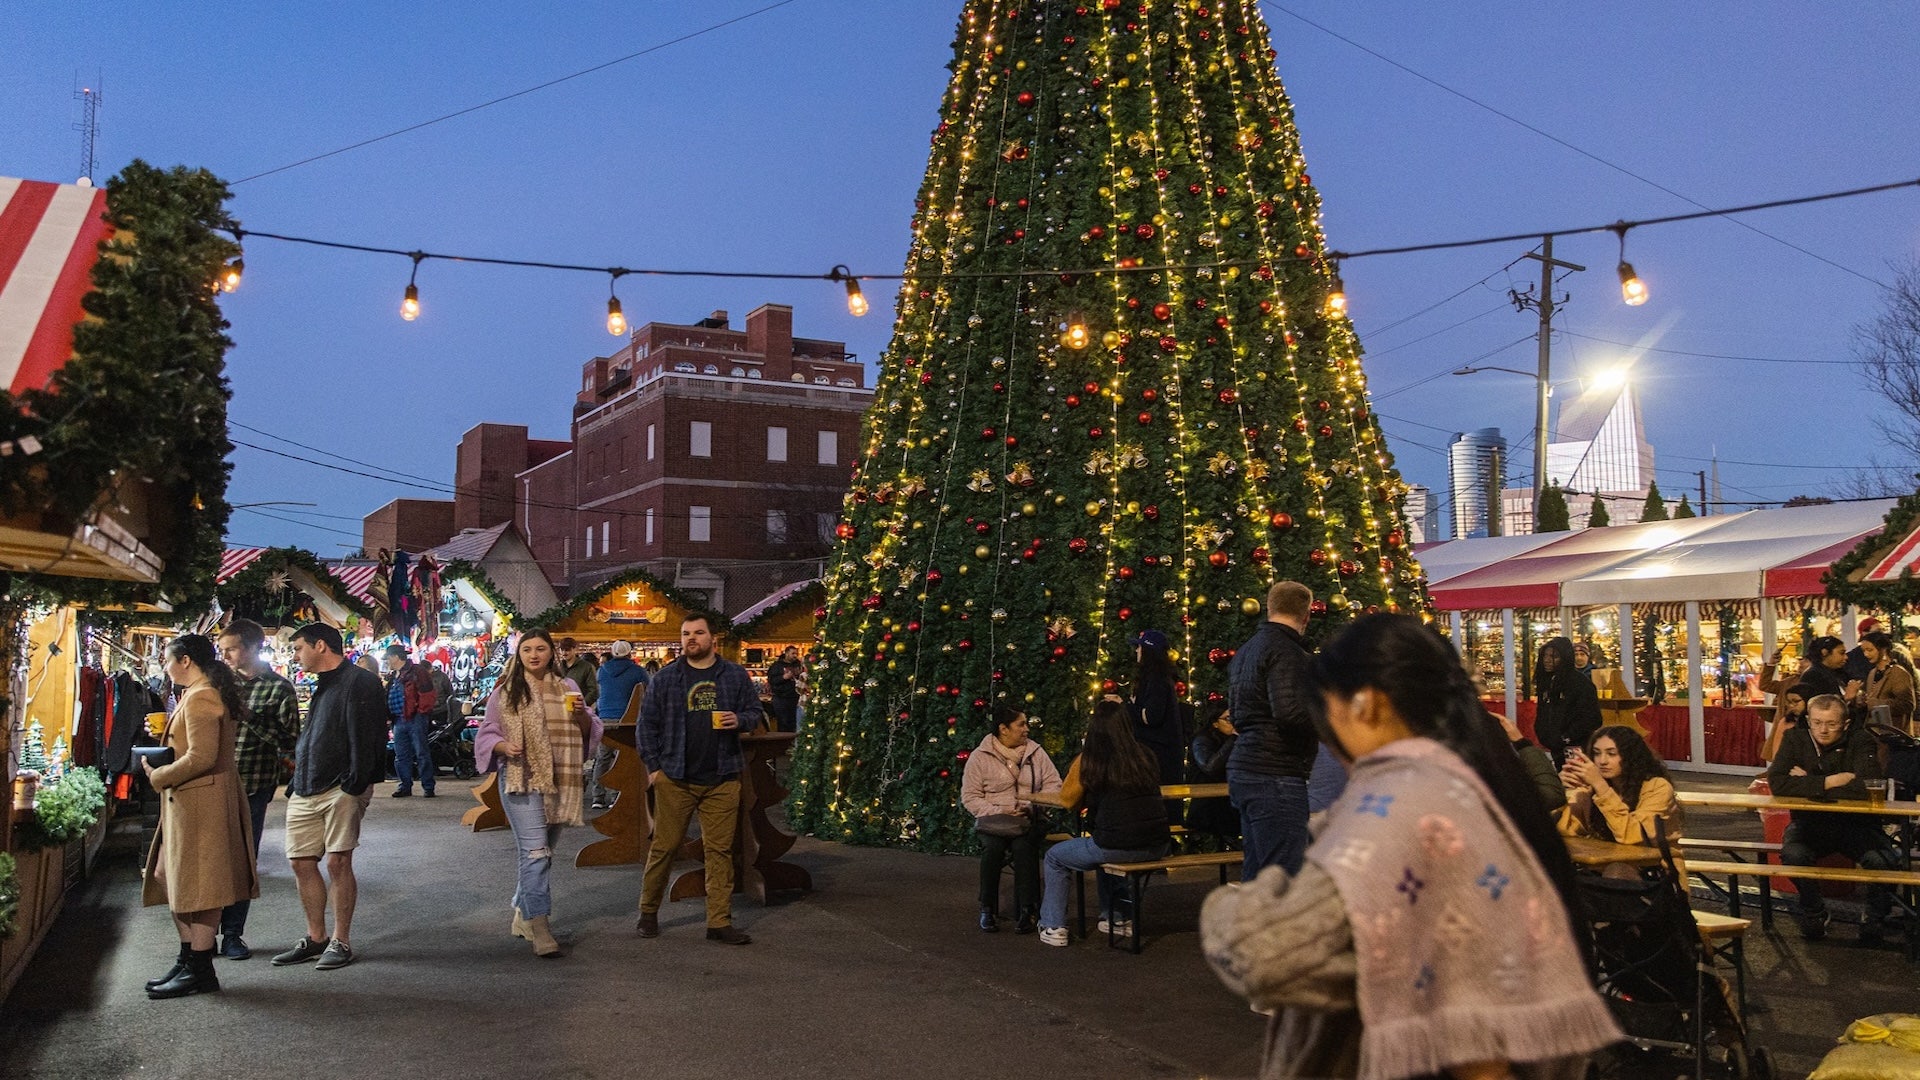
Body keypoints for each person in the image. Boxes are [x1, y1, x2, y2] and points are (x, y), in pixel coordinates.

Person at [1201, 615, 1620, 1079]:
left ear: (1367, 706)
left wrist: (1243, 899)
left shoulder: (1394, 803)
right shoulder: (1476, 781)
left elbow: (1267, 955)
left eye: (1327, 718)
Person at [139, 635, 262, 999]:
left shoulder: (202, 695)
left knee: (203, 886)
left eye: (167, 660)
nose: (165, 667)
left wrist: (158, 775)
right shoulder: (199, 693)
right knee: (169, 876)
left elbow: (202, 757)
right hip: (193, 800)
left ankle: (198, 966)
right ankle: (190, 960)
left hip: (202, 800)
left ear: (187, 661)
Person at [473, 628, 603, 957]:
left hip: (561, 778)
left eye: (540, 648)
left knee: (543, 852)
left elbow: (589, 728)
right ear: (519, 655)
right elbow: (487, 733)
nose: (534, 655)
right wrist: (503, 745)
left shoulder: (569, 687)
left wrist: (579, 717)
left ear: (551, 654)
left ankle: (522, 910)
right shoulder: (505, 691)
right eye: (527, 649)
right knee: (535, 854)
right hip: (520, 778)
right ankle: (540, 926)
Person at [636, 614, 763, 945]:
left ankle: (718, 922)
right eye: (686, 634)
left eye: (698, 633)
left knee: (719, 851)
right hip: (675, 777)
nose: (691, 638)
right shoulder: (665, 679)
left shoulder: (734, 675)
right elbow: (646, 725)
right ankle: (648, 912)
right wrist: (654, 769)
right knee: (664, 848)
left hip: (723, 777)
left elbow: (754, 713)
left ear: (712, 639)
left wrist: (740, 719)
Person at [273, 622, 388, 972]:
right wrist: (297, 780)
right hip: (307, 785)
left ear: (320, 645)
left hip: (340, 786)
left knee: (338, 863)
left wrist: (356, 782)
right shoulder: (323, 684)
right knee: (301, 862)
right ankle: (316, 936)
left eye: (298, 648)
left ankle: (341, 940)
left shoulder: (360, 680)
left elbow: (370, 735)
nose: (295, 656)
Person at [1767, 694, 1908, 943]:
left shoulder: (1861, 739)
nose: (1823, 730)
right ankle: (1814, 911)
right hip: (1810, 823)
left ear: (1844, 723)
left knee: (1883, 861)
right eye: (1817, 722)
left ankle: (1874, 916)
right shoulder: (1795, 738)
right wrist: (1832, 780)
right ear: (1809, 720)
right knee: (1793, 855)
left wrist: (1807, 780)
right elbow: (1778, 783)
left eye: (1831, 724)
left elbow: (1867, 788)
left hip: (1856, 824)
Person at [1036, 700, 1171, 946]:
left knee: (1056, 857)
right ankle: (1117, 917)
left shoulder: (1091, 759)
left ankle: (1053, 925)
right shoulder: (1145, 755)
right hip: (1158, 843)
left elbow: (1067, 800)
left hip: (1116, 843)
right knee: (1106, 848)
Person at [213, 619, 301, 961]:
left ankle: (233, 933)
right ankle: (205, 932)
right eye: (223, 650)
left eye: (231, 648)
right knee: (212, 858)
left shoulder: (279, 688)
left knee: (241, 860)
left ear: (252, 647)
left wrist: (250, 716)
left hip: (253, 783)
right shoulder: (219, 684)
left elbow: (289, 740)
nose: (226, 655)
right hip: (214, 781)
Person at [1226, 581, 1318, 881]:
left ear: (1269, 608)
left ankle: (1250, 927)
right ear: (1306, 615)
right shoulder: (1288, 652)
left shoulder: (1247, 651)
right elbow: (1291, 714)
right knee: (1282, 876)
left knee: (1257, 874)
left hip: (1246, 767)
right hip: (1276, 772)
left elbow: (1237, 715)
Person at [959, 706, 1062, 934]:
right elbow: (970, 797)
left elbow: (1054, 784)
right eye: (1021, 724)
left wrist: (1030, 805)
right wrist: (999, 810)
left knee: (1024, 846)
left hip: (1028, 819)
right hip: (994, 821)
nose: (1026, 729)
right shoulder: (979, 757)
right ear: (1003, 729)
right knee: (993, 849)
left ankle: (1028, 909)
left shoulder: (1036, 753)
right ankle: (987, 907)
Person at [1556, 725, 1680, 847]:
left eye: (1612, 754)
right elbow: (1565, 830)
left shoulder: (1657, 787)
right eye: (1597, 753)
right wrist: (1560, 791)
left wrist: (1601, 787)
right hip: (1603, 860)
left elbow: (1633, 836)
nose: (1602, 761)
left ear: (1631, 756)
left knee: (1617, 868)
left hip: (1651, 861)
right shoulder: (1590, 789)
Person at [1126, 629, 1186, 819]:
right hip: (1158, 754)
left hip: (1160, 758)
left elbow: (1151, 717)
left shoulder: (1157, 680)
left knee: (1161, 811)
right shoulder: (1155, 679)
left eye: (1139, 648)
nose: (1136, 651)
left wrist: (1126, 707)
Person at [588, 640, 649, 810]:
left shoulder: (602, 671)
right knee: (620, 759)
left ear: (613, 653)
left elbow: (600, 693)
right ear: (630, 654)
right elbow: (649, 690)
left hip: (605, 718)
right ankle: (617, 797)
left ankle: (597, 797)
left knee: (602, 758)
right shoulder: (637, 671)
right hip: (627, 719)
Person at [1531, 636, 1602, 766]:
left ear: (1565, 658)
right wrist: (1544, 735)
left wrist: (1566, 738)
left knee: (1575, 778)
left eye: (1554, 656)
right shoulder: (1547, 682)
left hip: (1575, 746)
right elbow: (1543, 712)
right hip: (1555, 746)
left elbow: (1592, 718)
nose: (1547, 660)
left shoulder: (1580, 684)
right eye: (1545, 656)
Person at [383, 644, 439, 798]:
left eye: (388, 658)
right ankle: (405, 785)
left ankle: (427, 786)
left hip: (415, 718)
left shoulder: (417, 671)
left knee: (421, 753)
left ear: (395, 657)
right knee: (401, 755)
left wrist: (421, 712)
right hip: (399, 719)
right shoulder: (395, 675)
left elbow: (428, 693)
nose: (387, 661)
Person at [1188, 710, 1242, 842]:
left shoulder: (1239, 740)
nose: (1233, 722)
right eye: (1228, 718)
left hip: (1230, 803)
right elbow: (1210, 767)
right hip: (1208, 808)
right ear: (1215, 723)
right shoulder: (1202, 740)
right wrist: (1233, 739)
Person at [1861, 630, 1916, 733]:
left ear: (1883, 649)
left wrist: (1879, 704)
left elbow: (1908, 704)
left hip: (1895, 733)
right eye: (1863, 651)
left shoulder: (1898, 673)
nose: (1866, 654)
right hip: (1876, 733)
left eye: (1870, 650)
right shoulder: (1872, 673)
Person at [1759, 682, 1813, 764]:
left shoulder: (1817, 721)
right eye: (1789, 702)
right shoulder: (1786, 722)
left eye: (1796, 701)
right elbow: (1777, 752)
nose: (1791, 705)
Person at [764, 645, 805, 734]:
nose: (795, 655)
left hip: (795, 697)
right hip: (781, 698)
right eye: (792, 653)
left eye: (796, 653)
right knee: (783, 723)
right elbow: (772, 680)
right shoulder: (777, 666)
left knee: (795, 723)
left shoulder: (798, 665)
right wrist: (783, 677)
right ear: (786, 653)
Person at [1795, 634, 1850, 700]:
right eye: (1841, 653)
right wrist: (1847, 697)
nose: (1846, 657)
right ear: (1825, 652)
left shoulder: (1837, 673)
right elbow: (1822, 705)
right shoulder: (1813, 676)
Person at [556, 637, 600, 713]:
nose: (564, 652)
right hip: (562, 710)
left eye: (567, 650)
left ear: (575, 649)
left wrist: (582, 705)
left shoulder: (587, 667)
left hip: (581, 711)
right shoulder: (558, 667)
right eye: (562, 650)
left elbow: (594, 690)